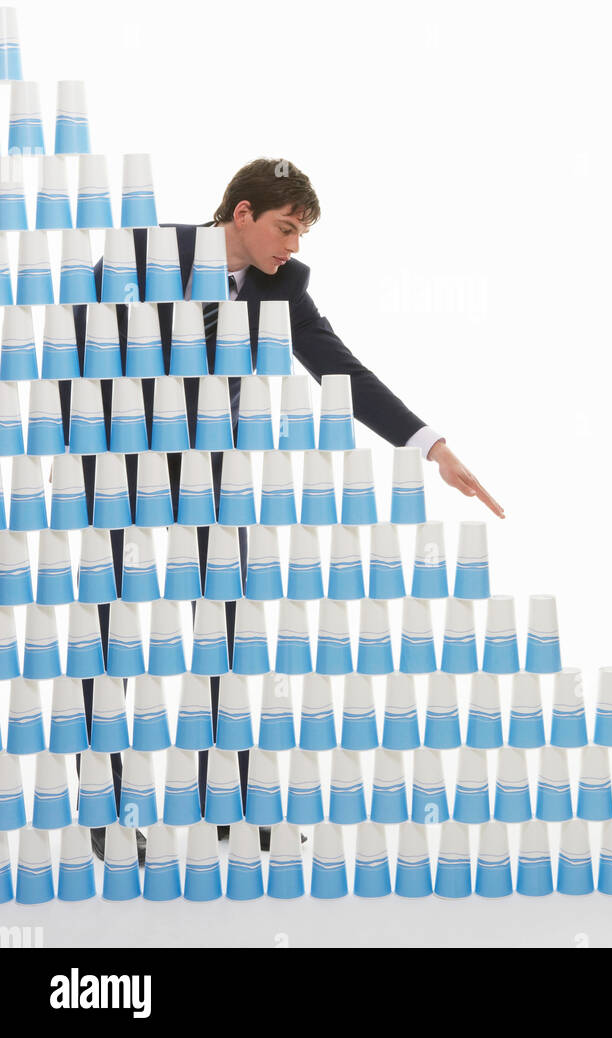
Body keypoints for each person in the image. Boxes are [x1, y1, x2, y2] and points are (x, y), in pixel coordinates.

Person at [60, 156, 504, 864]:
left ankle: (235, 806)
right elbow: (69, 340)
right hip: (120, 463)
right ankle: (107, 811)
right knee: (108, 636)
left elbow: (339, 367)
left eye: (300, 234)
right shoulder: (146, 251)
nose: (292, 246)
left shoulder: (282, 286)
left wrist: (433, 445)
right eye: (286, 228)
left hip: (211, 475)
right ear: (242, 213)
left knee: (226, 640)